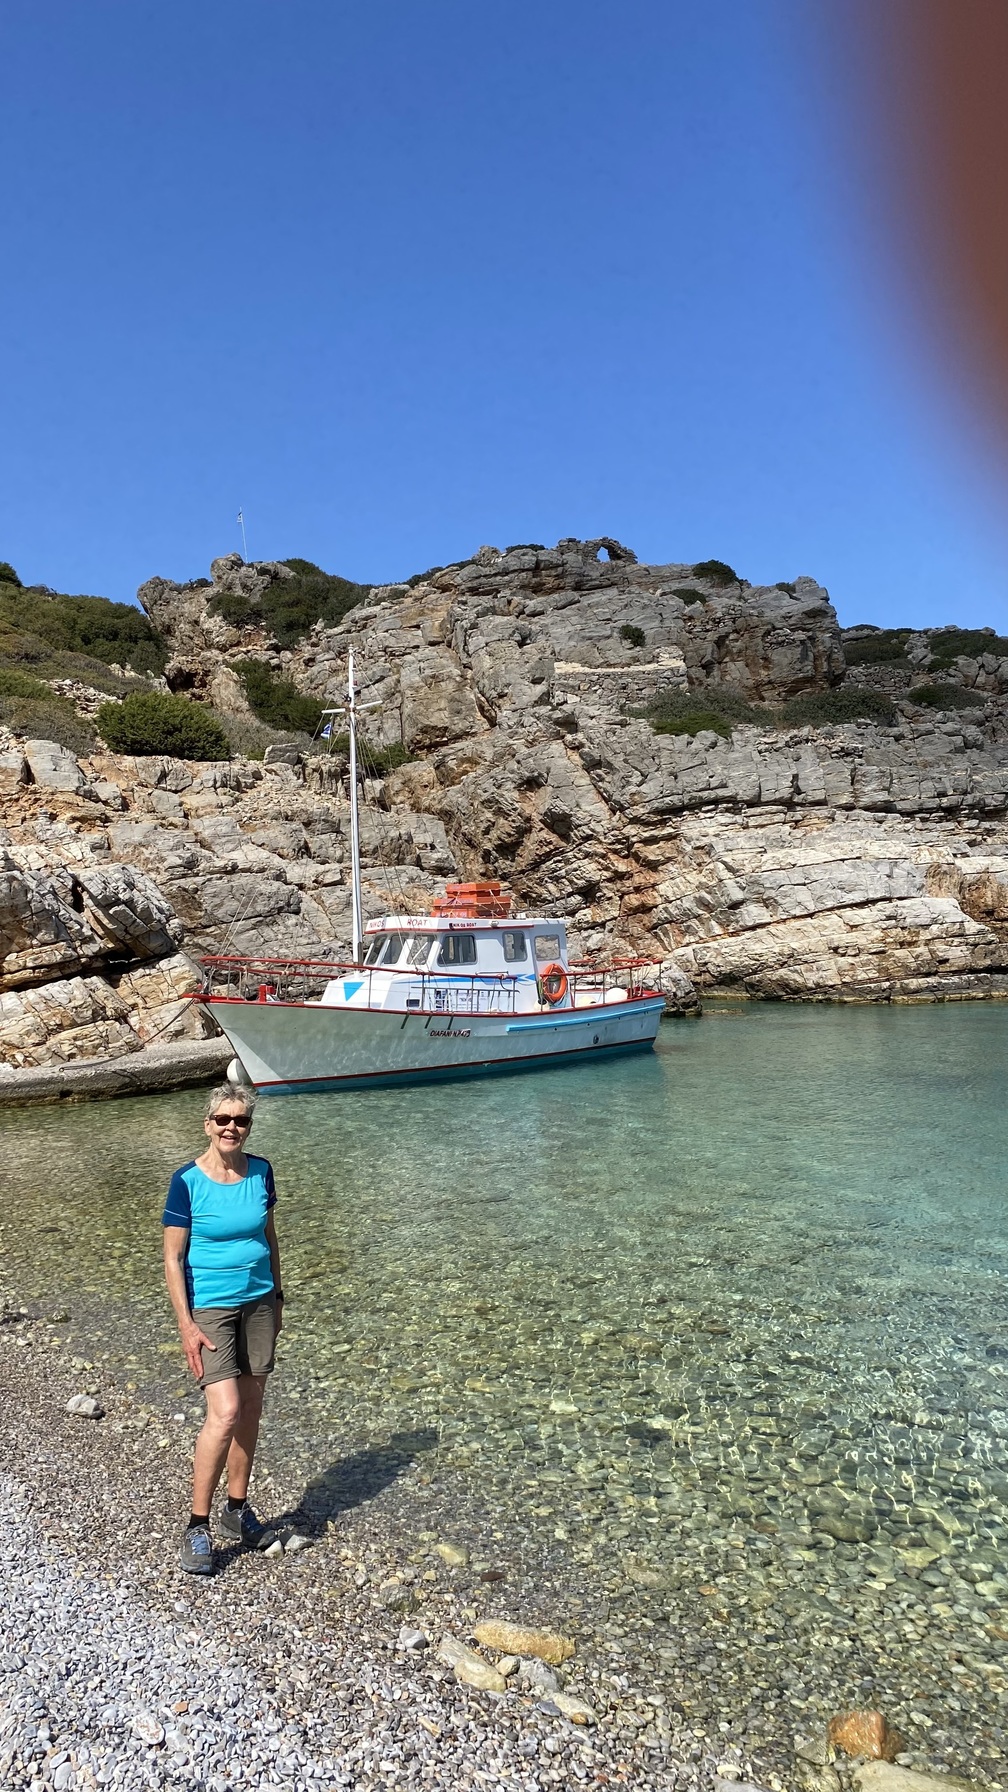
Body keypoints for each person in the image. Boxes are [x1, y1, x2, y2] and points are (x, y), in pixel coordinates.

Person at [162, 1084, 283, 1575]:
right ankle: (197, 1524)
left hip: (259, 1302)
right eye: (222, 1119)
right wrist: (186, 1324)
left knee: (251, 1406)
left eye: (241, 1120)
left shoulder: (262, 1172)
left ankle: (236, 1510)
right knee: (225, 1411)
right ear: (207, 1124)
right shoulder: (186, 1181)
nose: (231, 1127)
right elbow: (172, 1258)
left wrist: (278, 1298)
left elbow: (270, 1237)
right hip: (210, 1308)